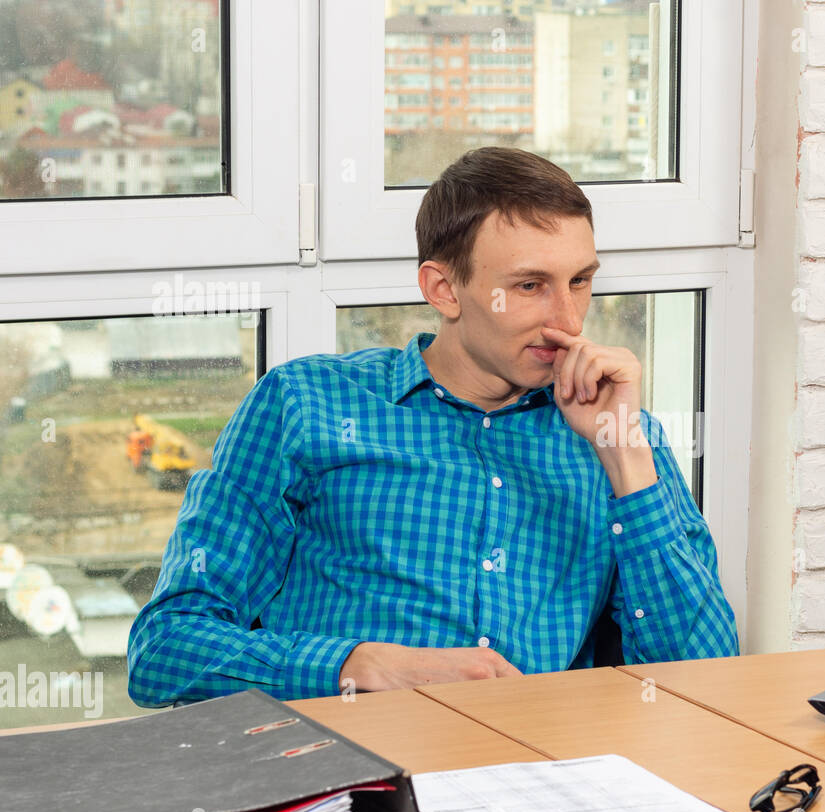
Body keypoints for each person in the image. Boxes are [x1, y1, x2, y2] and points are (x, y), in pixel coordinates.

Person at [127, 147, 738, 706]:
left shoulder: (620, 430)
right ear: (444, 289)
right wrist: (361, 664)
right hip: (346, 785)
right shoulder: (304, 404)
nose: (568, 320)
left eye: (579, 281)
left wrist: (626, 459)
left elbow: (706, 681)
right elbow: (165, 653)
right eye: (530, 286)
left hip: (534, 782)